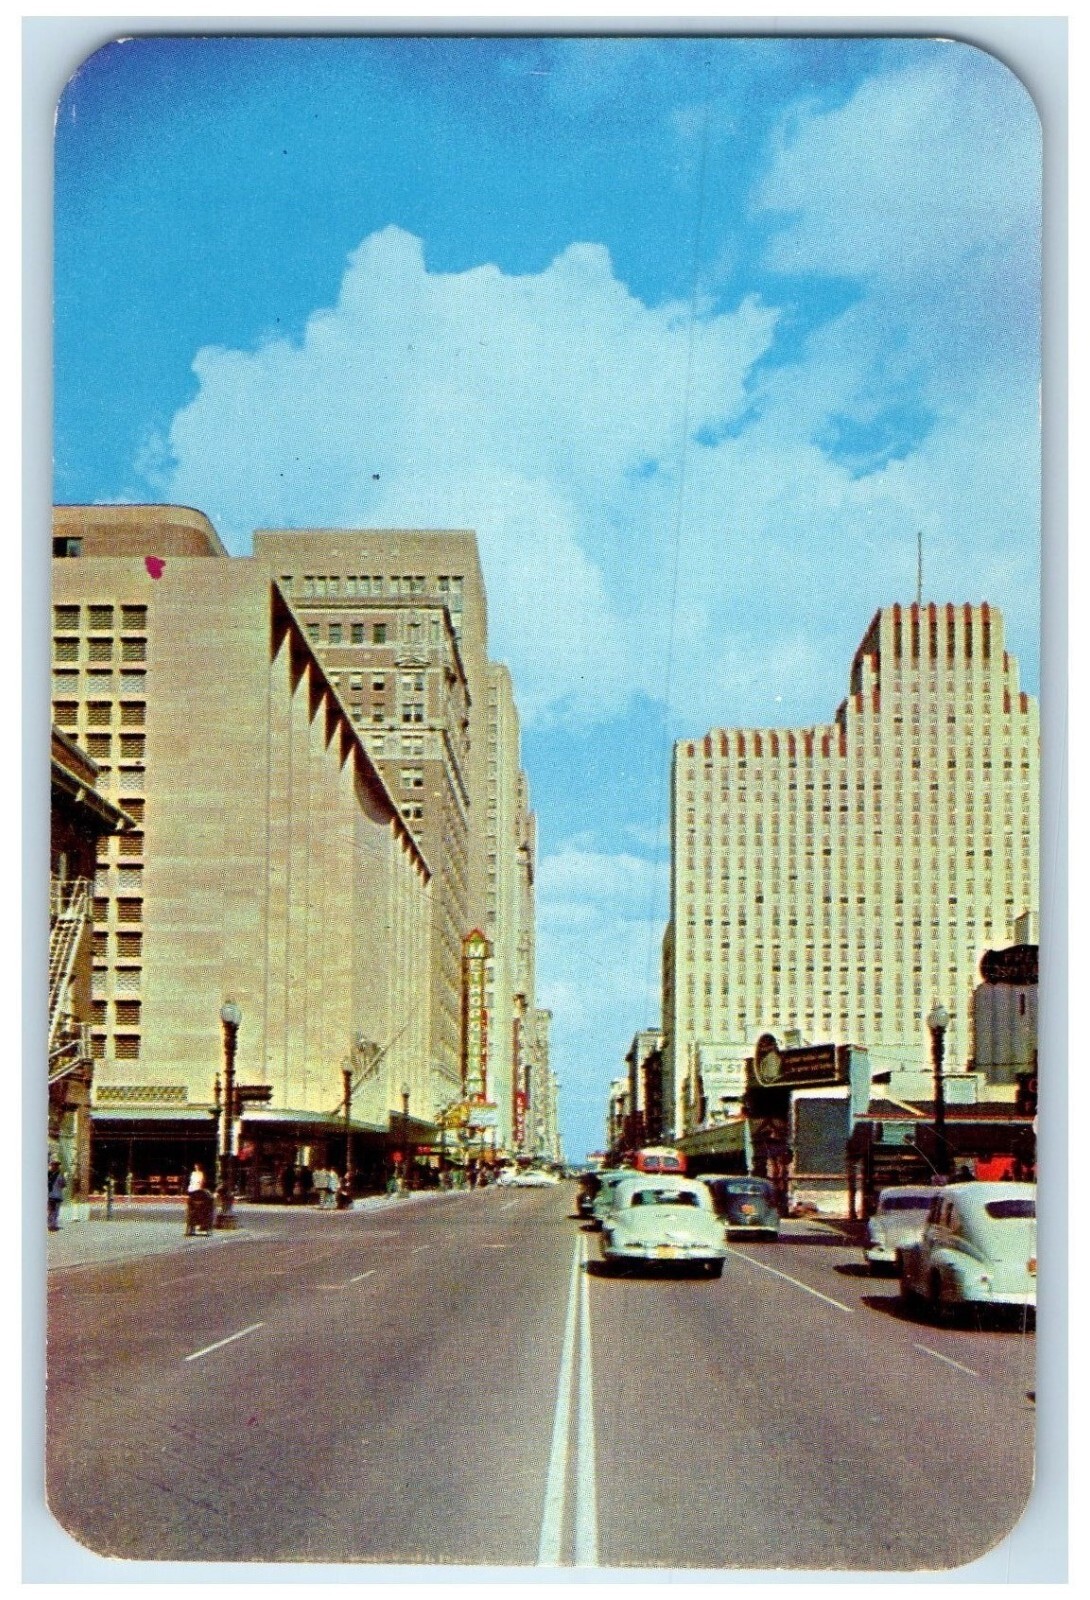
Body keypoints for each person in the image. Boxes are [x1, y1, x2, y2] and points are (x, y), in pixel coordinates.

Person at [47, 1159, 66, 1232]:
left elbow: (63, 1185)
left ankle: (52, 1225)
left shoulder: (59, 1175)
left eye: (57, 1165)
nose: (56, 1166)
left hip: (56, 1196)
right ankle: (51, 1225)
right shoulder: (49, 1174)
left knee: (54, 1211)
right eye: (54, 1165)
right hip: (52, 1195)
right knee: (52, 1211)